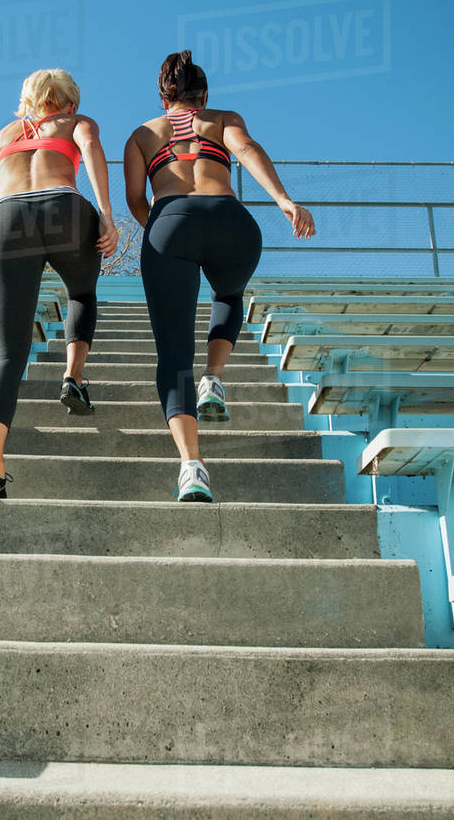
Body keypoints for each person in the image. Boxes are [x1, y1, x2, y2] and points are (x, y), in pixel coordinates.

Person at [124, 49, 315, 503]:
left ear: (163, 99)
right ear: (204, 96)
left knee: (174, 354)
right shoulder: (223, 118)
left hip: (169, 219)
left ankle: (192, 466)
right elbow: (246, 149)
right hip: (232, 221)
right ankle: (213, 376)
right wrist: (284, 201)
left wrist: (167, 230)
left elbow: (135, 199)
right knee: (228, 292)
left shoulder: (142, 135)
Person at [0, 68, 118, 498]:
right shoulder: (78, 122)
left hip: (8, 216)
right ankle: (73, 377)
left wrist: (7, 239)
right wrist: (106, 215)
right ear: (69, 101)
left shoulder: (3, 135)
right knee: (82, 292)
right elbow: (91, 151)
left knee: (6, 355)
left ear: (29, 100)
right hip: (64, 207)